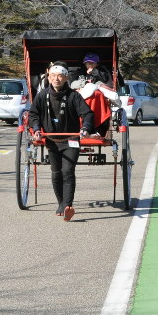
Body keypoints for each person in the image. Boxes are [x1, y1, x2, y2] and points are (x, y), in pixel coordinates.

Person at [28, 63, 94, 222]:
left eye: (60, 76)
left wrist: (85, 128)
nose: (56, 78)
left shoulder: (74, 96)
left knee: (67, 171)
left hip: (71, 140)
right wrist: (36, 129)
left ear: (66, 78)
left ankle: (67, 205)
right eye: (53, 75)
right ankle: (60, 202)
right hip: (51, 140)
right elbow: (33, 115)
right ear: (49, 77)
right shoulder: (42, 96)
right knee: (56, 172)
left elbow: (87, 114)